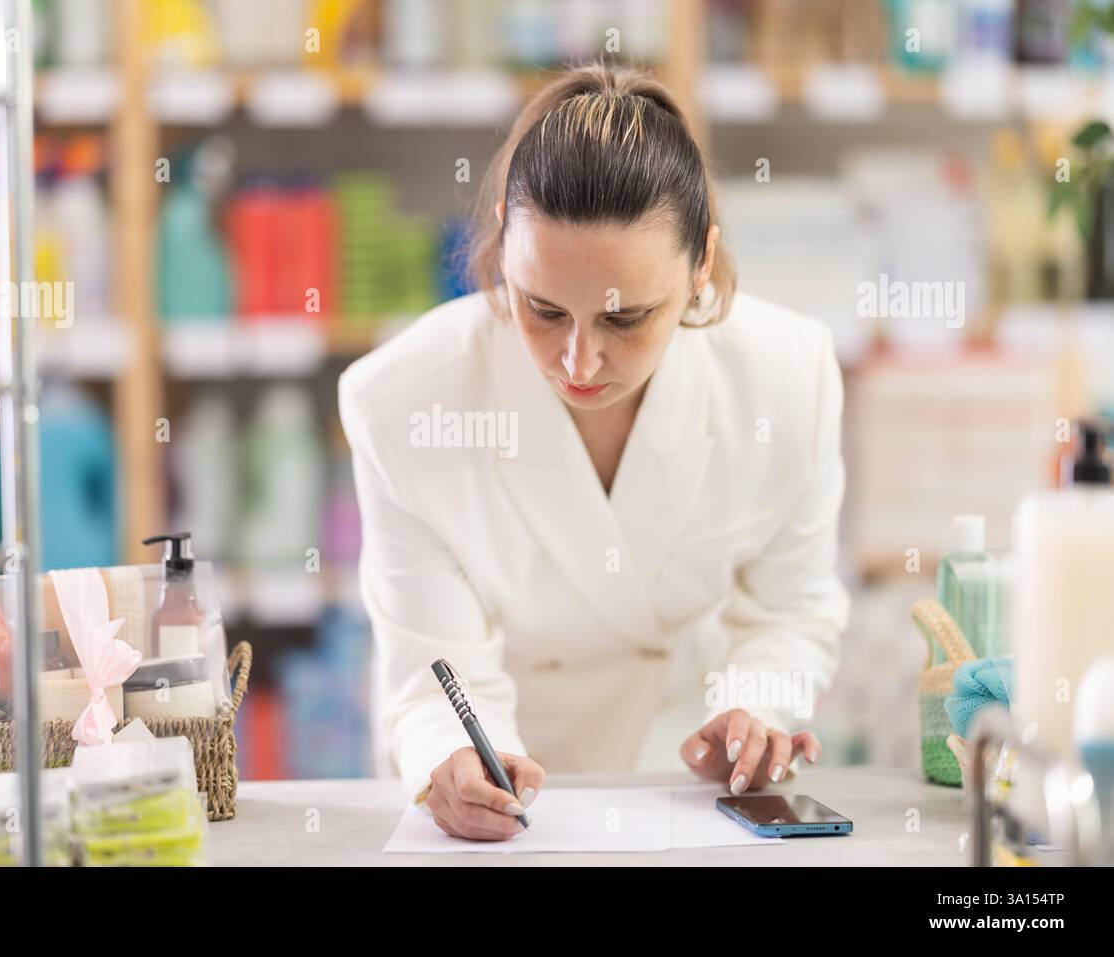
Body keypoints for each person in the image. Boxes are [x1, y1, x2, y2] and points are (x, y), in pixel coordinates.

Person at [338, 63, 849, 841]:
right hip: (495, 788)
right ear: (505, 252)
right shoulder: (404, 401)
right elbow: (432, 659)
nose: (579, 363)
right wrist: (453, 754)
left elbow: (790, 610)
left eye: (626, 319)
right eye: (543, 309)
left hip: (684, 778)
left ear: (700, 265)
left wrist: (753, 706)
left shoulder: (788, 379)